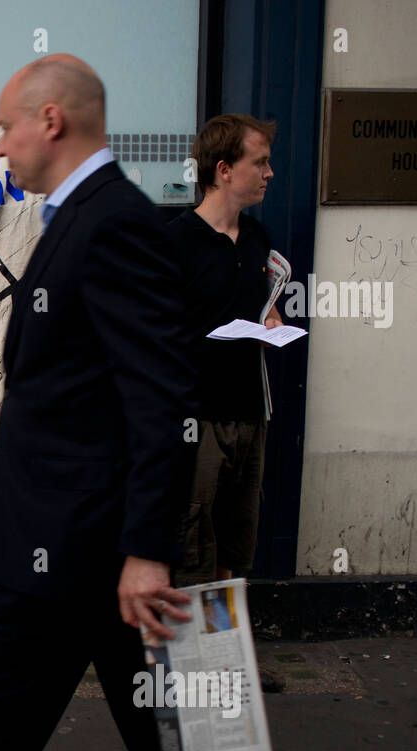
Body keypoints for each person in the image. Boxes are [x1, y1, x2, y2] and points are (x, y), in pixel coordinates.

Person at [0, 54, 229, 751]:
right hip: (87, 552)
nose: (0, 143)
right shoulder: (75, 216)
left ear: (50, 121)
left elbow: (160, 398)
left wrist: (148, 552)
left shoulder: (112, 221)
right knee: (168, 745)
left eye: (6, 124)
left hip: (83, 557)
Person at [169, 114, 281, 587]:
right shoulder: (175, 241)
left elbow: (258, 309)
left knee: (236, 531)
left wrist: (270, 323)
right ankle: (180, 646)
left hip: (249, 411)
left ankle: (221, 642)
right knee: (189, 534)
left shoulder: (257, 239)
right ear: (224, 170)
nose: (269, 173)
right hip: (197, 415)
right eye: (260, 163)